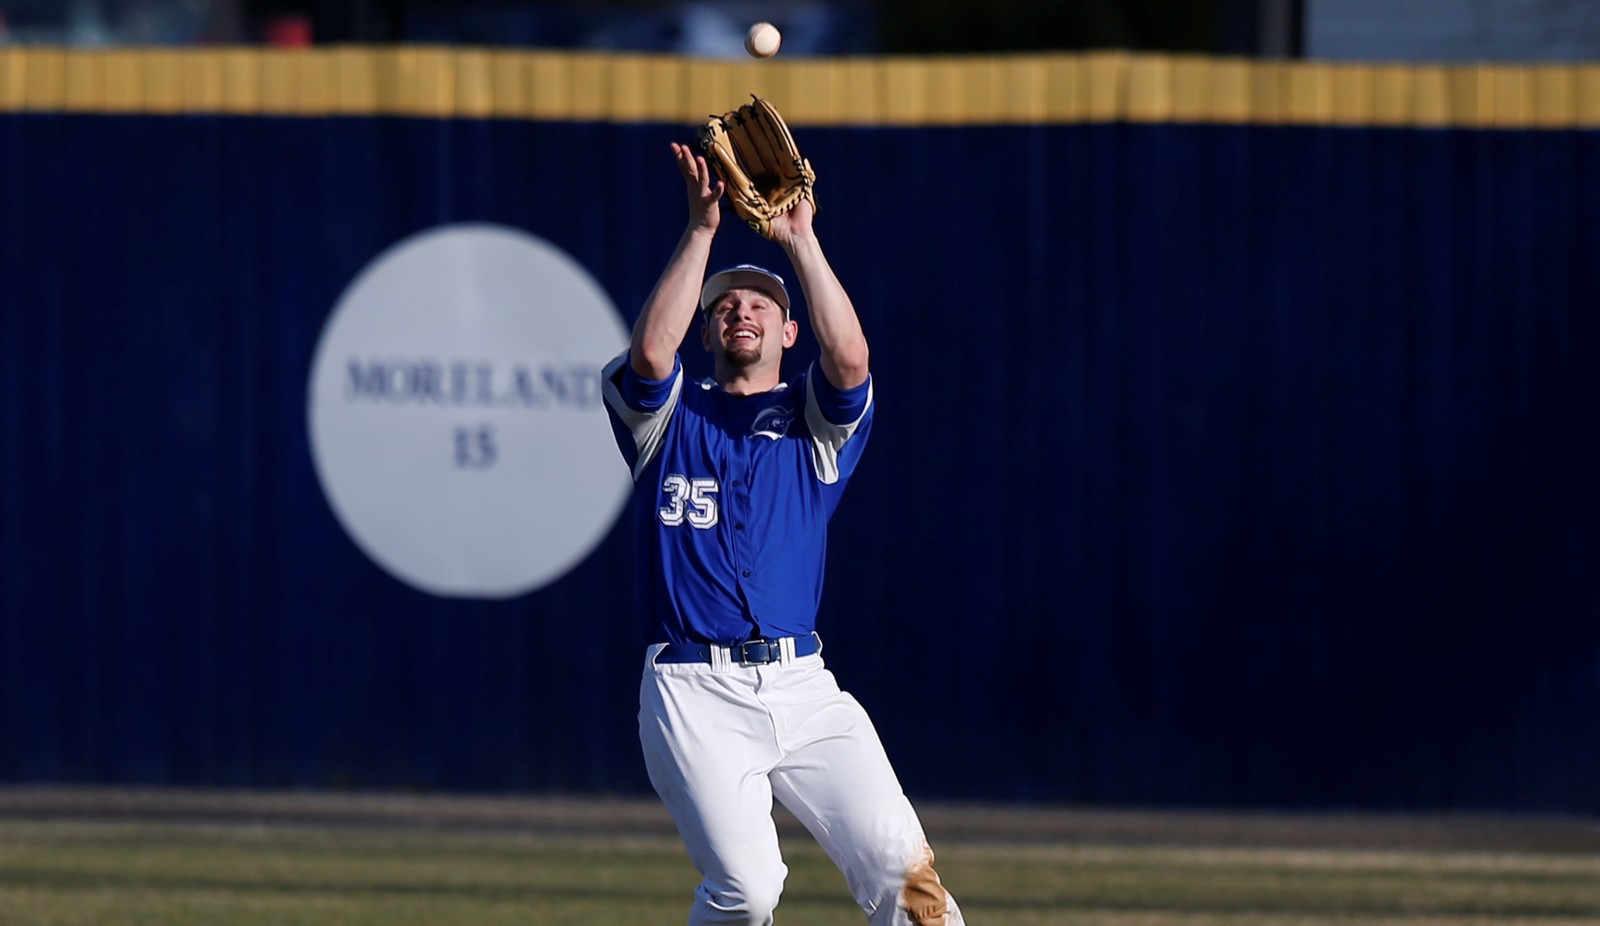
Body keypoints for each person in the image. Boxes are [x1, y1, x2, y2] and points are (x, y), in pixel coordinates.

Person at [599, 142, 965, 926]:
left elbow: (852, 357)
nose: (741, 311)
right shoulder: (666, 419)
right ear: (707, 331)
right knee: (749, 890)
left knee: (906, 876)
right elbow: (650, 353)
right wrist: (701, 231)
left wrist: (801, 240)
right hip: (694, 690)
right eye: (725, 306)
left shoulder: (812, 424)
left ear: (789, 333)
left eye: (761, 304)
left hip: (803, 684)